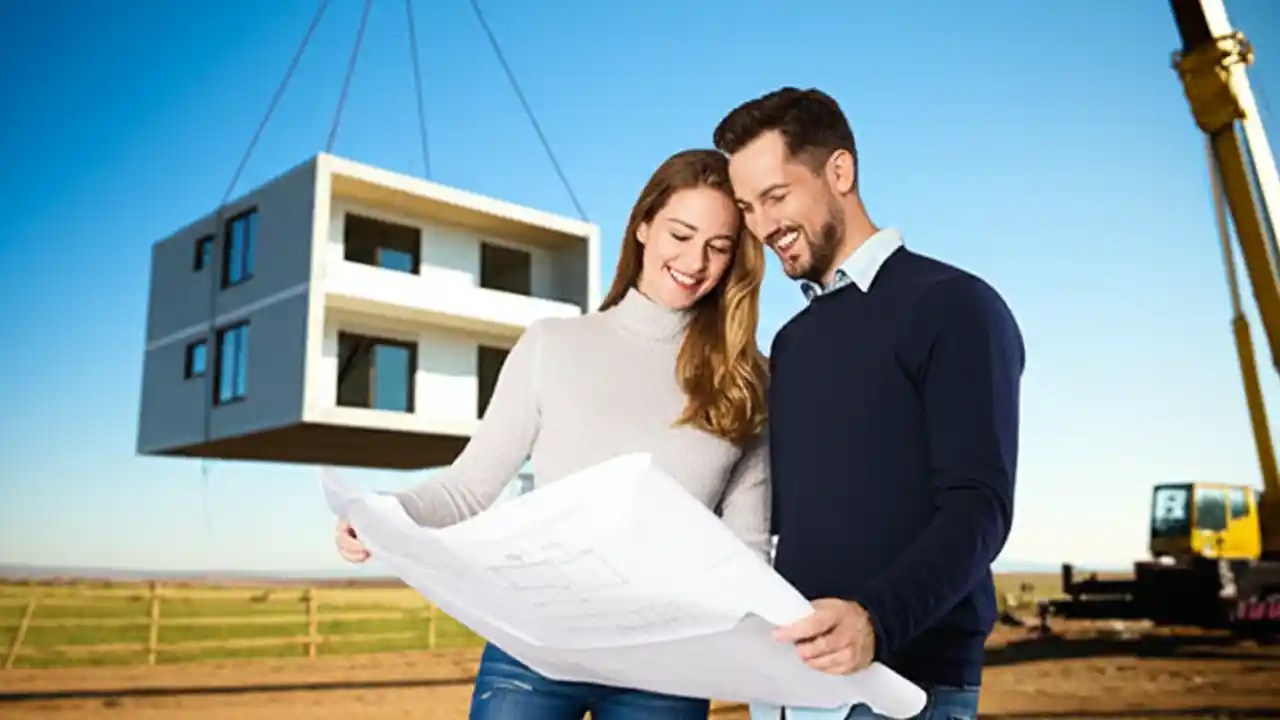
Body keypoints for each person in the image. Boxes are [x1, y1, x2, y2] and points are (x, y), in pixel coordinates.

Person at [334, 148, 772, 720]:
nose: (696, 260)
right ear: (642, 226)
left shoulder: (747, 381)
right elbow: (468, 488)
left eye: (718, 247)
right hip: (533, 657)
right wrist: (386, 511)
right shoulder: (553, 346)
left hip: (666, 667)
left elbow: (745, 551)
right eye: (680, 234)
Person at [712, 88, 1024, 720]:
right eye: (748, 207)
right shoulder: (792, 342)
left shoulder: (954, 306)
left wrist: (876, 622)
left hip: (901, 688)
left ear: (840, 171)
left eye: (776, 196)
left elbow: (979, 507)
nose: (762, 225)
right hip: (789, 686)